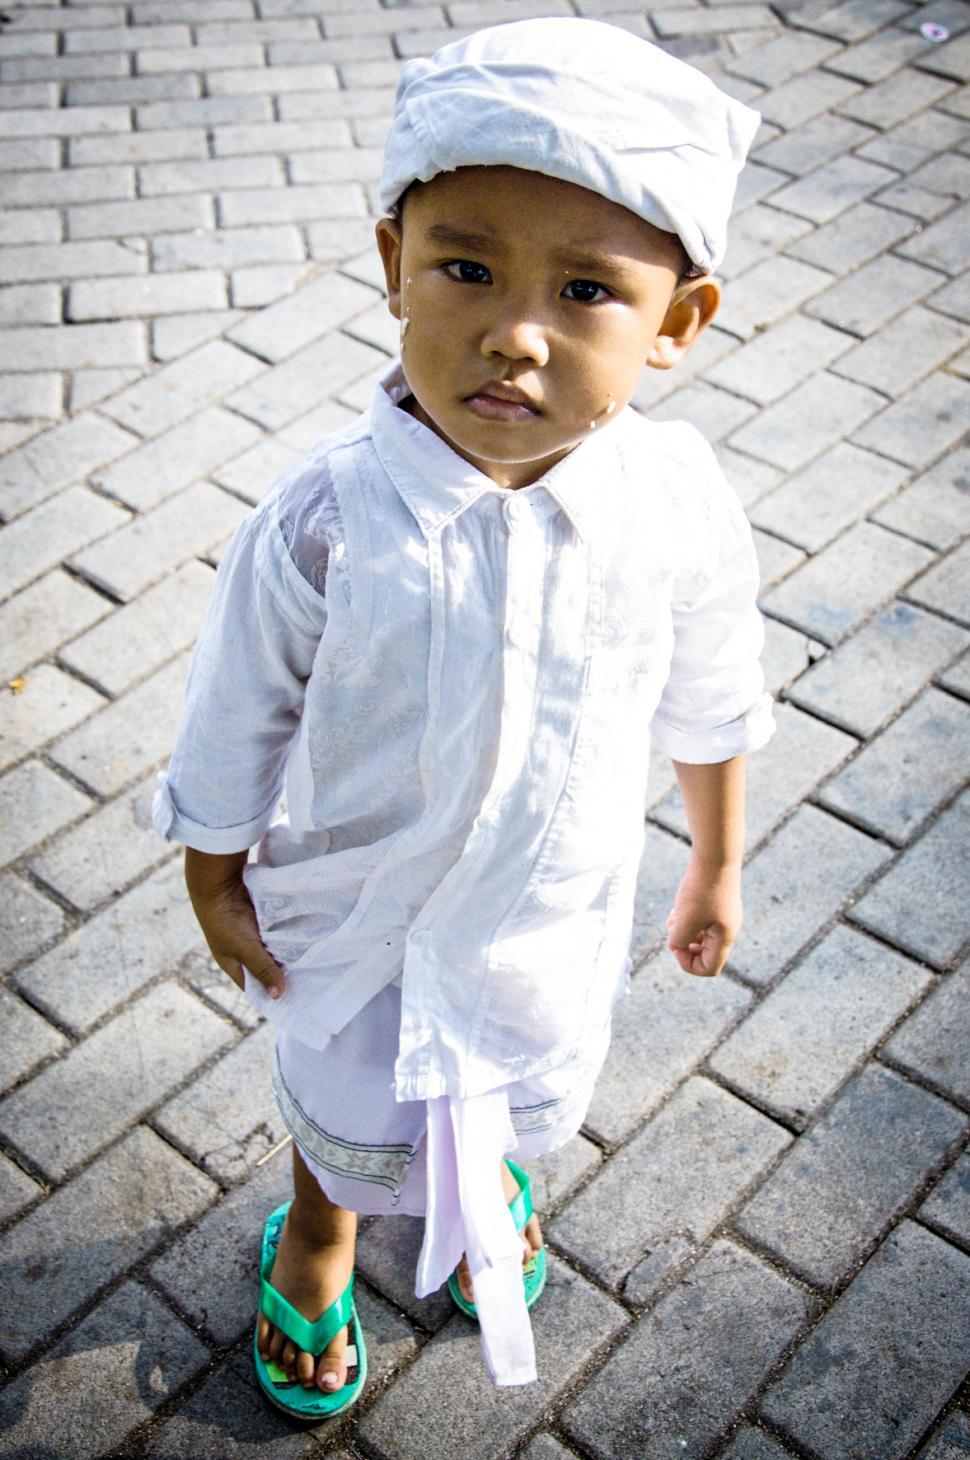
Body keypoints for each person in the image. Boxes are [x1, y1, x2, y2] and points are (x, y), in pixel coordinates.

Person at [154, 16, 775, 1420]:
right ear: (392, 268)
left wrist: (716, 856)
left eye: (586, 293)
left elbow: (713, 684)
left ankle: (481, 1188)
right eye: (466, 268)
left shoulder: (671, 506)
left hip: (544, 908)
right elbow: (237, 701)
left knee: (520, 1068)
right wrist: (210, 861)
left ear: (675, 325)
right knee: (347, 1090)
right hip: (357, 907)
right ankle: (317, 1234)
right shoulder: (325, 521)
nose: (513, 331)